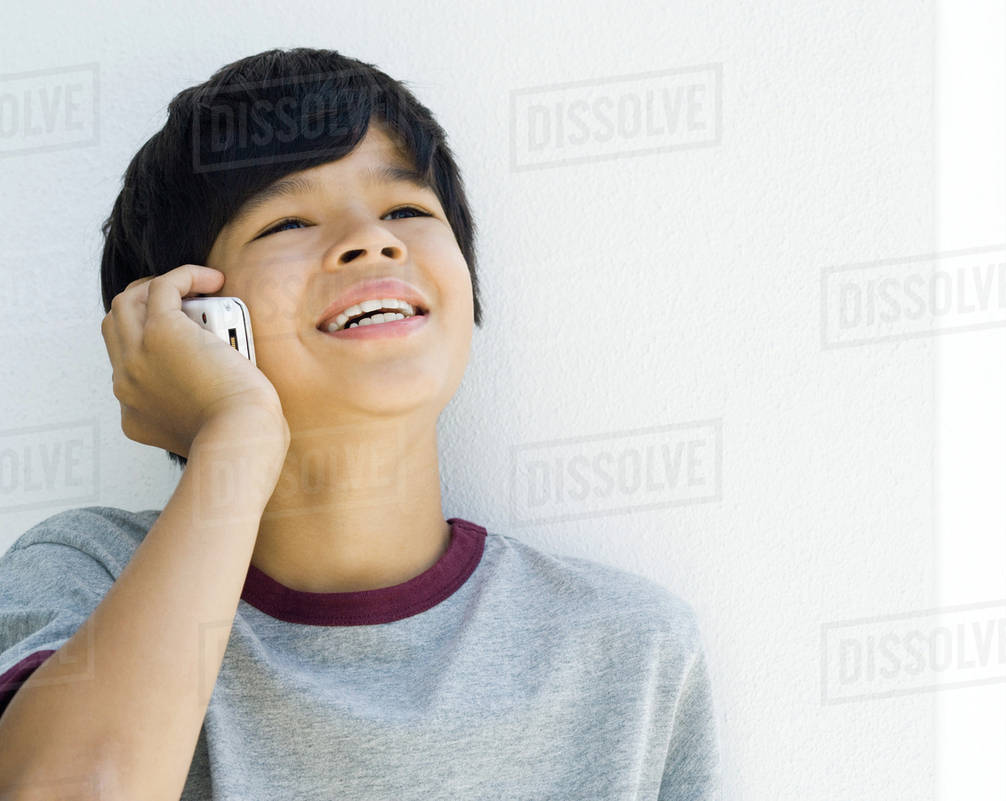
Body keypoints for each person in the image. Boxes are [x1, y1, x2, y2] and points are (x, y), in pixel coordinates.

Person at [0, 47, 719, 799]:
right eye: (287, 220)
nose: (372, 239)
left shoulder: (631, 652)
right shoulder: (84, 573)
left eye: (406, 209)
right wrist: (236, 432)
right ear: (188, 325)